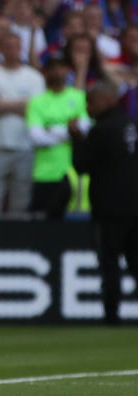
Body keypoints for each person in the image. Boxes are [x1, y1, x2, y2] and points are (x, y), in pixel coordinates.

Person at [70, 80, 138, 325]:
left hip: (110, 208)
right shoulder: (132, 124)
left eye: (90, 101)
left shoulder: (102, 130)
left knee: (109, 263)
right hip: (135, 206)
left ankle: (111, 317)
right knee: (135, 262)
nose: (88, 108)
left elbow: (82, 167)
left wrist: (77, 140)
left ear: (106, 100)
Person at [0, 32, 45, 217]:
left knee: (21, 202)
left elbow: (35, 111)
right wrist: (23, 103)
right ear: (0, 49)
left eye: (15, 46)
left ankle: (17, 242)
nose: (12, 51)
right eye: (7, 47)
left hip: (25, 146)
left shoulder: (34, 77)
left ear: (21, 48)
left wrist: (2, 104)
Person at [26, 55, 89, 220]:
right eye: (53, 68)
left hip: (74, 173)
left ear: (68, 70)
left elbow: (85, 128)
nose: (57, 72)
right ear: (46, 72)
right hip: (46, 172)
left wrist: (51, 130)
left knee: (76, 221)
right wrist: (69, 131)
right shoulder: (37, 102)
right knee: (44, 222)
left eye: (61, 67)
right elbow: (37, 137)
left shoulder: (78, 96)